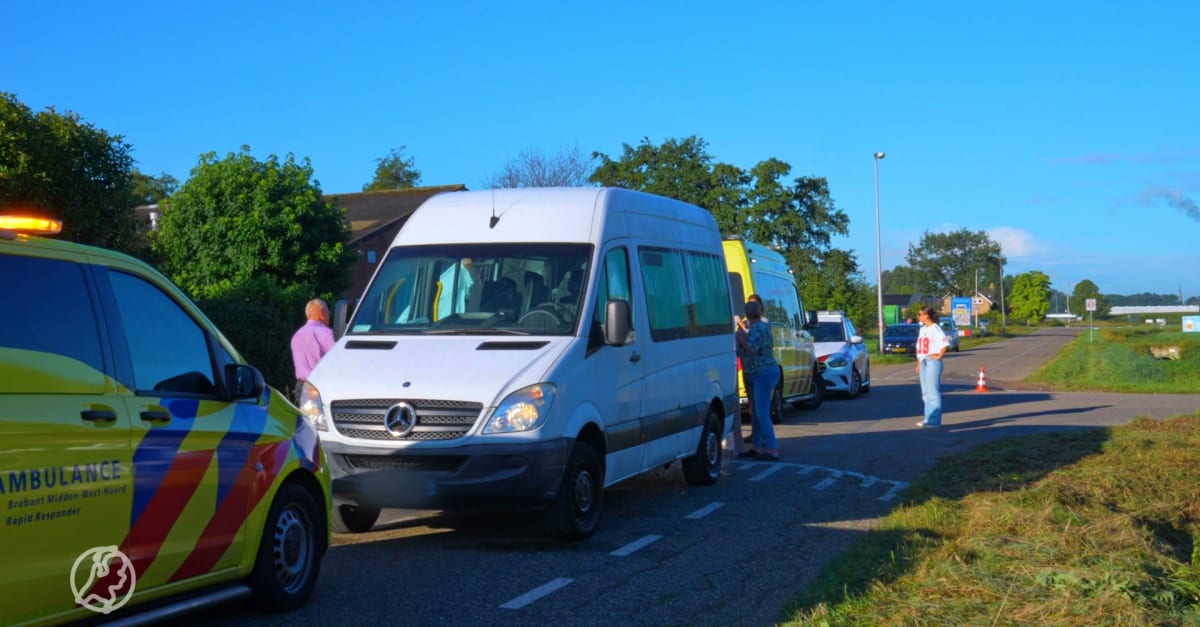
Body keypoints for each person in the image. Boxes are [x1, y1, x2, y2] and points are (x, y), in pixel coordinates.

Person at [735, 299, 781, 461]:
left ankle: (772, 449)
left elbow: (752, 349)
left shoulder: (757, 329)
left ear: (747, 314)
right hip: (762, 372)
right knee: (756, 413)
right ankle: (756, 447)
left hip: (763, 374)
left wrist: (741, 338)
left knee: (761, 412)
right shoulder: (761, 328)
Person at [914, 306, 950, 428]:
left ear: (926, 315)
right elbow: (920, 348)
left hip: (932, 362)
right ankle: (928, 418)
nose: (919, 316)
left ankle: (935, 421)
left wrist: (939, 355)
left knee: (933, 391)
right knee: (925, 393)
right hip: (924, 361)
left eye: (920, 314)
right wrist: (919, 362)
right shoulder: (923, 329)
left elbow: (944, 343)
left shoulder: (935, 328)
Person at [291, 298, 335, 394]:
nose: (329, 315)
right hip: (320, 386)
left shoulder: (296, 336)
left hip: (301, 386)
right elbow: (341, 356)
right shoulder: (326, 333)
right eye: (328, 312)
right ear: (322, 313)